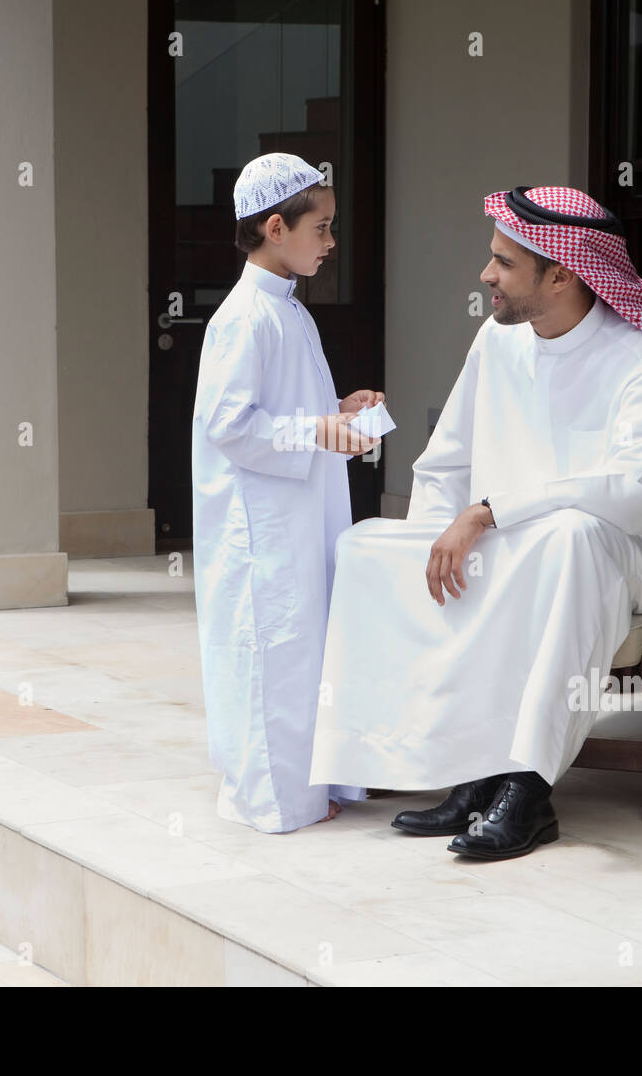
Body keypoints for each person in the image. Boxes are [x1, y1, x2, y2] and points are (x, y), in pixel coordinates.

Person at [309, 185, 642, 860]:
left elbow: (633, 496)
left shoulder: (641, 359)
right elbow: (445, 461)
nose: (486, 275)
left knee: (571, 540)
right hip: (515, 539)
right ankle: (451, 762)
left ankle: (527, 787)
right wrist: (436, 539)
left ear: (563, 272)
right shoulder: (496, 341)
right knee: (365, 546)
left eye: (504, 263)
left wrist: (489, 512)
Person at [191, 152, 382, 833]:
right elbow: (230, 425)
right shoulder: (243, 317)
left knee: (304, 647)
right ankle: (273, 796)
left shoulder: (289, 311)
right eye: (322, 228)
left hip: (299, 515)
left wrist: (338, 406)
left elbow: (285, 407)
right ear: (276, 227)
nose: (331, 243)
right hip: (263, 526)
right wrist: (319, 430)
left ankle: (310, 783)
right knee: (271, 650)